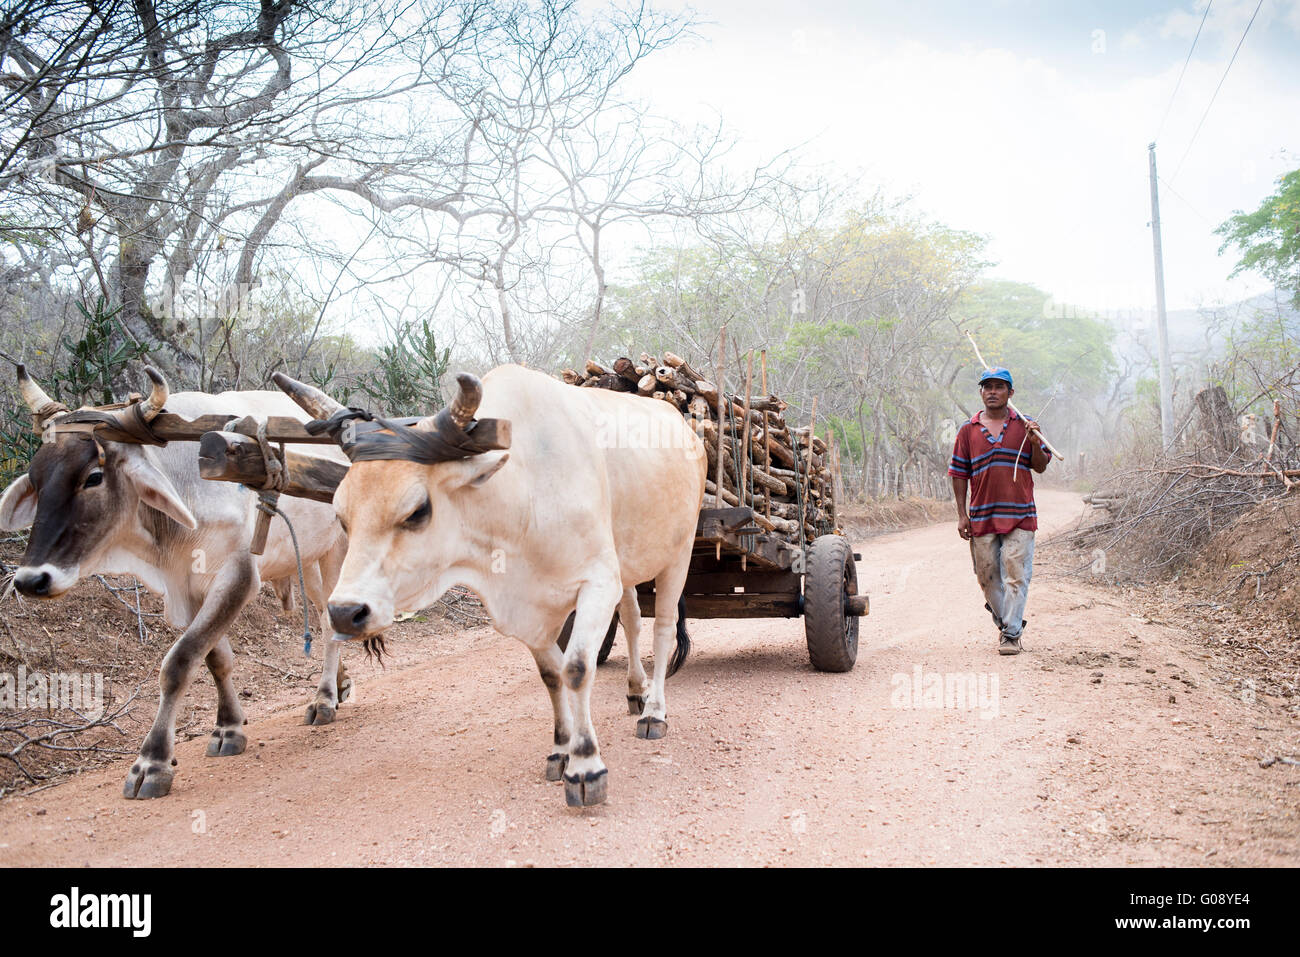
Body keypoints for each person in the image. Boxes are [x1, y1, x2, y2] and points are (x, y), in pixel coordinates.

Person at [948, 367, 1050, 655]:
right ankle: (1005, 619)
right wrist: (961, 514)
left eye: (999, 387)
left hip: (1020, 514)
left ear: (1010, 393)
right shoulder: (967, 431)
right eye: (987, 387)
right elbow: (958, 473)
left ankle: (1011, 633)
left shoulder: (1027, 425)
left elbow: (1040, 466)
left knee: (1016, 573)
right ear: (981, 392)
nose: (992, 391)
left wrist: (1034, 441)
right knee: (987, 576)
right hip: (982, 515)